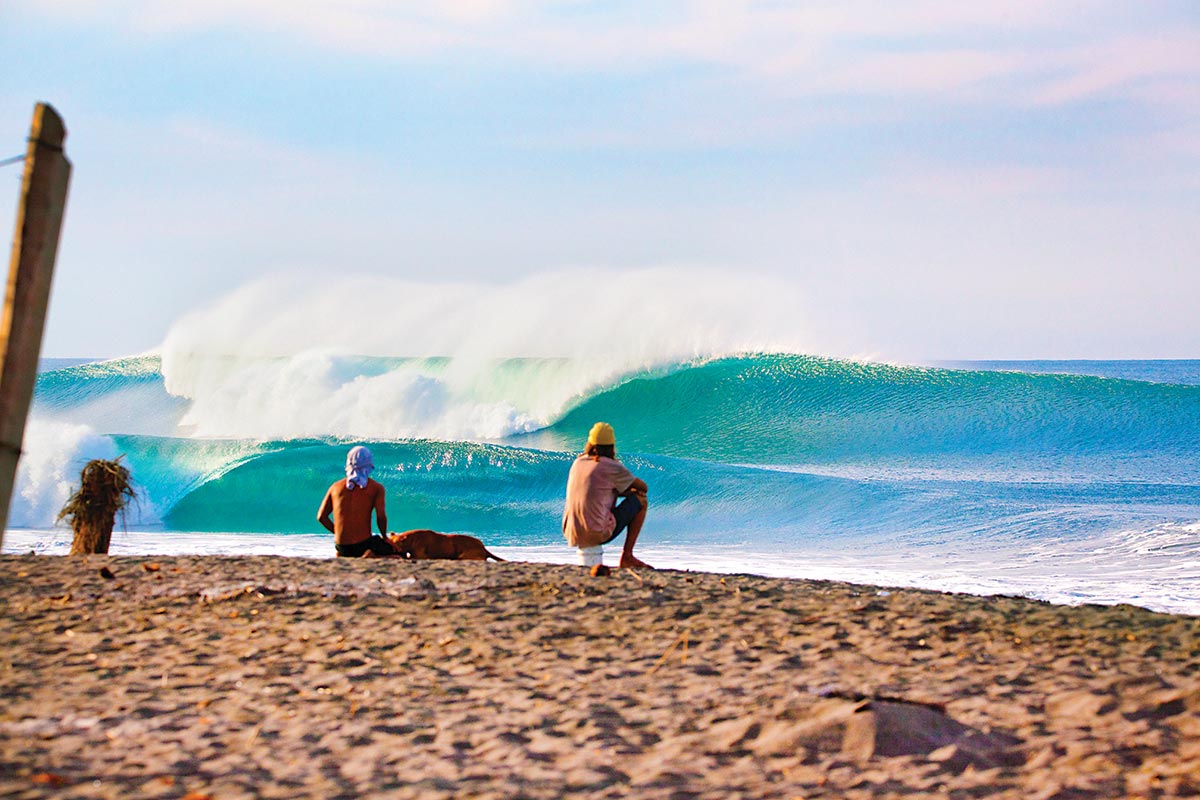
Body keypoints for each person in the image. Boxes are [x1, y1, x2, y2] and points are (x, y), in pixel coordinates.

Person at [562, 422, 651, 569]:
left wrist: (617, 489)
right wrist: (630, 491)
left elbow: (597, 490)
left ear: (590, 443)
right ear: (612, 445)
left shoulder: (578, 462)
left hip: (571, 531)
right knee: (641, 499)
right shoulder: (611, 466)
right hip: (596, 532)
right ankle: (627, 556)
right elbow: (643, 487)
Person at [317, 446, 394, 557]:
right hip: (364, 545)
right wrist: (385, 537)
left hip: (342, 546)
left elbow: (321, 517)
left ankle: (341, 554)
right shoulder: (376, 488)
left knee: (347, 549)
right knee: (397, 552)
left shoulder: (335, 487)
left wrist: (338, 532)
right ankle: (369, 555)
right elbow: (380, 516)